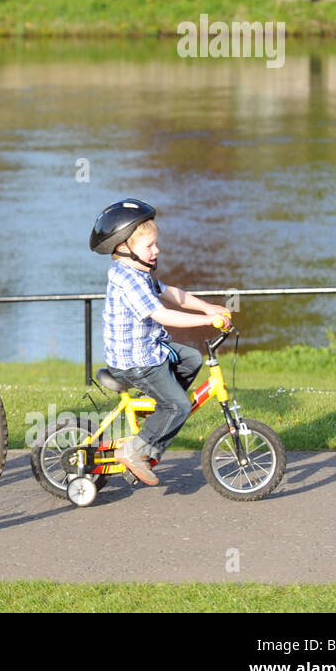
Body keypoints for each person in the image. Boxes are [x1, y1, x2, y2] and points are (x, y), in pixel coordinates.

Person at [90, 198, 232, 486]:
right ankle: (135, 450)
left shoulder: (139, 272)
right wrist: (206, 322)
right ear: (124, 249)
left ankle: (158, 415)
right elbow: (162, 314)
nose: (157, 250)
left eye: (156, 244)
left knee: (191, 359)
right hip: (134, 363)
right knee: (179, 406)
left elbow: (171, 294)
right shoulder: (126, 279)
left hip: (150, 351)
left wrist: (208, 308)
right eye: (149, 246)